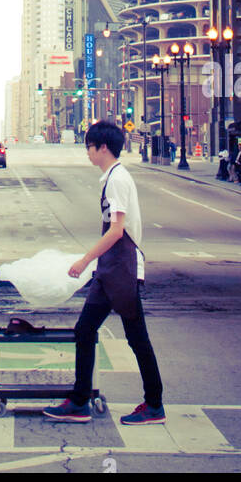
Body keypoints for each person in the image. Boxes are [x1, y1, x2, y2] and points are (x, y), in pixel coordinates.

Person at [43, 120, 165, 425]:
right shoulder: (112, 178)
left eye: (89, 146)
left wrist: (84, 261)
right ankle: (80, 400)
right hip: (111, 269)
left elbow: (116, 231)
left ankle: (153, 405)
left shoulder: (116, 180)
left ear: (103, 148)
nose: (87, 152)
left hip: (120, 270)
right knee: (85, 331)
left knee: (137, 339)